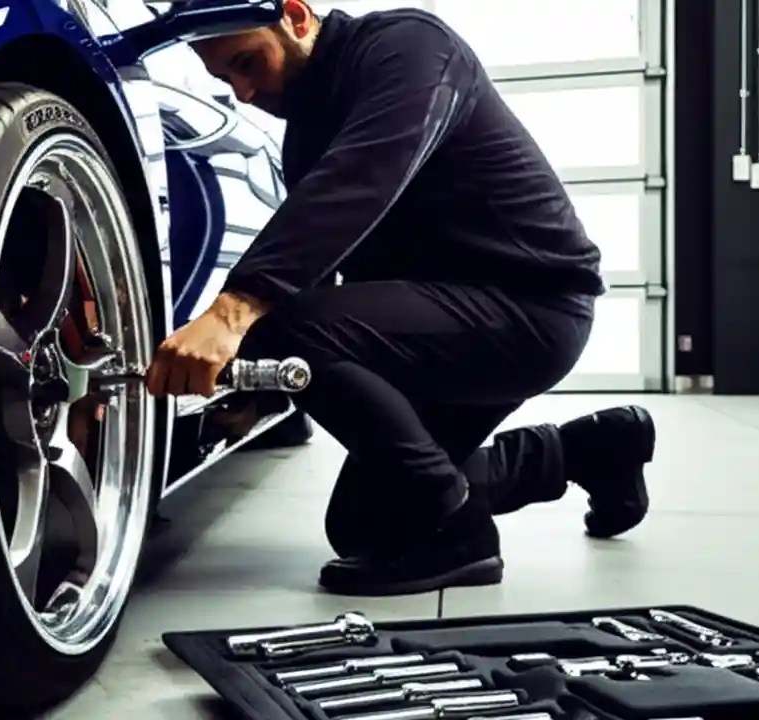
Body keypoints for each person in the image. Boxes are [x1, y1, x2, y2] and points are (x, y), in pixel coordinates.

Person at [143, 0, 656, 596]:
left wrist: (231, 314)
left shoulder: (409, 47)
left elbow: (359, 181)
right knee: (365, 525)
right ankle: (588, 450)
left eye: (247, 64)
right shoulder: (308, 134)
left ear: (296, 16)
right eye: (226, 80)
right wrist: (254, 389)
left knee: (278, 327)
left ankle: (457, 532)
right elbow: (327, 282)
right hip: (447, 322)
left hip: (528, 308)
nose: (244, 92)